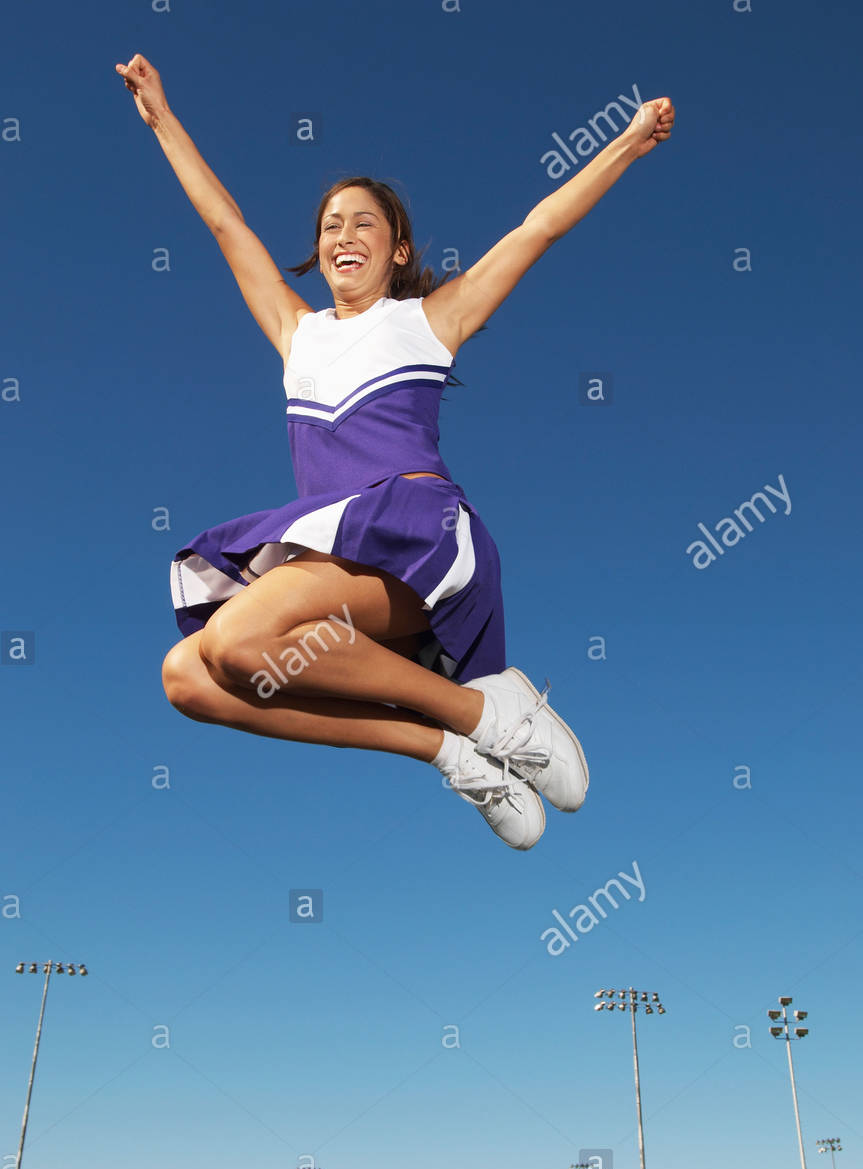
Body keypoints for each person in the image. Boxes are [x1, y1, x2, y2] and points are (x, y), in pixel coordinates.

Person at [115, 53, 674, 851]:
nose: (343, 233)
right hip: (337, 569)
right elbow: (225, 226)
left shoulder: (429, 322)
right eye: (329, 225)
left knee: (235, 641)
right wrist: (163, 118)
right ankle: (453, 748)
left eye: (363, 223)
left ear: (399, 251)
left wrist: (625, 143)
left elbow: (537, 226)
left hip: (419, 539)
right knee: (188, 680)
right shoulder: (295, 331)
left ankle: (491, 711)